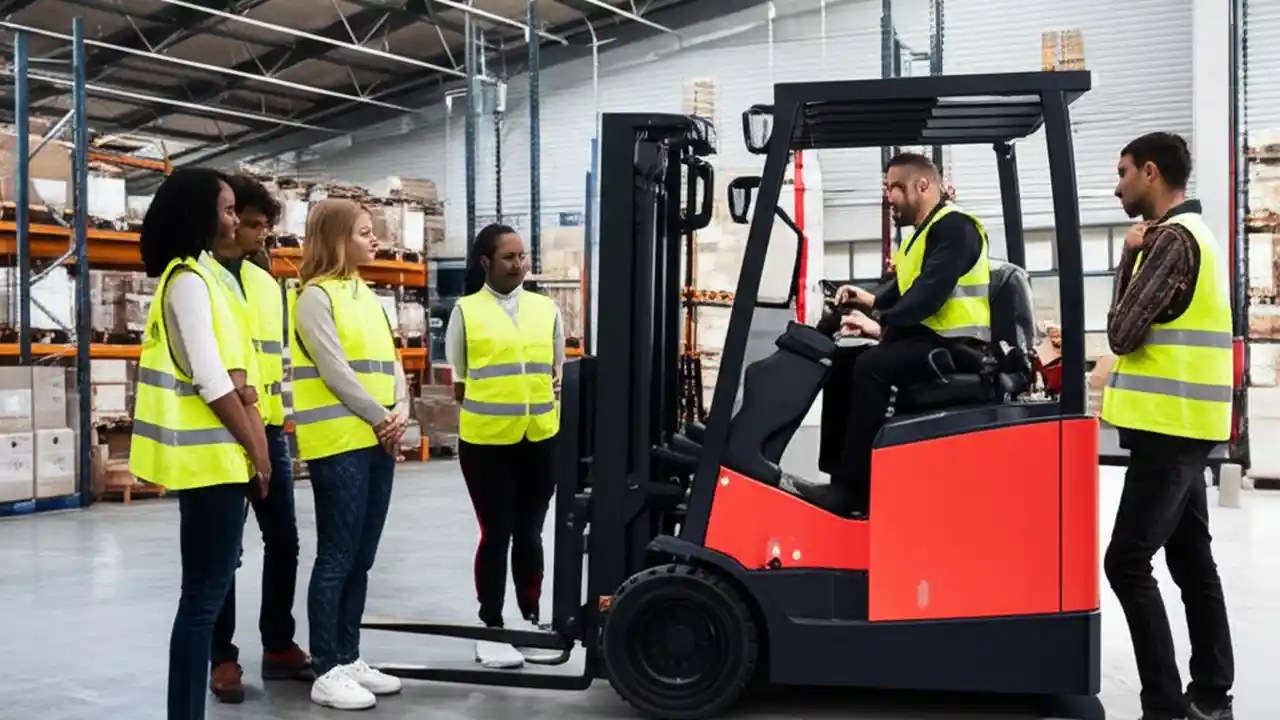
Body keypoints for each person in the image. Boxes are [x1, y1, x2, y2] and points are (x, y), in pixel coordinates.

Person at [128, 168, 271, 720]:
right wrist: (257, 452)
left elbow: (238, 377)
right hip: (210, 463)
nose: (237, 219)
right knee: (202, 602)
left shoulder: (206, 275)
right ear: (200, 215)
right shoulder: (187, 280)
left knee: (205, 596)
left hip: (220, 461)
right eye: (230, 209)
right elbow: (212, 380)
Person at [1102, 131, 1236, 720]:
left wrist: (1127, 256)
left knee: (1127, 562)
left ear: (1151, 174)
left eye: (1125, 172)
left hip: (1170, 426)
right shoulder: (1200, 235)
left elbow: (1122, 333)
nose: (1119, 184)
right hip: (1190, 421)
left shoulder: (1170, 242)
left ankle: (1164, 705)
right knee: (1191, 560)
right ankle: (1210, 694)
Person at [806, 152, 991, 517]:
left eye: (894, 187)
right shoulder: (920, 235)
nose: (888, 196)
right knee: (843, 360)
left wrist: (881, 326)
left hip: (956, 347)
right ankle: (839, 477)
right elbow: (903, 289)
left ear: (922, 186)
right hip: (929, 340)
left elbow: (927, 295)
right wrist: (865, 299)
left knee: (872, 365)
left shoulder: (955, 228)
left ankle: (857, 491)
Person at [292, 199, 410, 710]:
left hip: (376, 436)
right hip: (341, 441)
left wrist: (401, 407)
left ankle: (350, 654)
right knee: (337, 555)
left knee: (362, 557)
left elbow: (391, 360)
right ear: (338, 238)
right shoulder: (314, 298)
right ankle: (326, 666)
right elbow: (335, 369)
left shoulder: (365, 292)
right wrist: (381, 417)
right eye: (365, 232)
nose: (374, 240)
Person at [205, 175, 311, 704]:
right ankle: (221, 657)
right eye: (250, 223)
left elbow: (276, 362)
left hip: (269, 428)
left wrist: (277, 430)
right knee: (224, 553)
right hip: (222, 434)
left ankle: (278, 643)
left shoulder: (268, 282)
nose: (258, 235)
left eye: (265, 226)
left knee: (284, 541)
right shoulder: (198, 279)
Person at [445, 223, 565, 669]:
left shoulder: (545, 308)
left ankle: (529, 618)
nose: (519, 264)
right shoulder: (466, 311)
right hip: (487, 443)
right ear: (485, 263)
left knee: (531, 533)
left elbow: (555, 371)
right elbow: (458, 380)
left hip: (539, 437)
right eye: (509, 258)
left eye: (522, 256)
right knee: (496, 534)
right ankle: (491, 625)